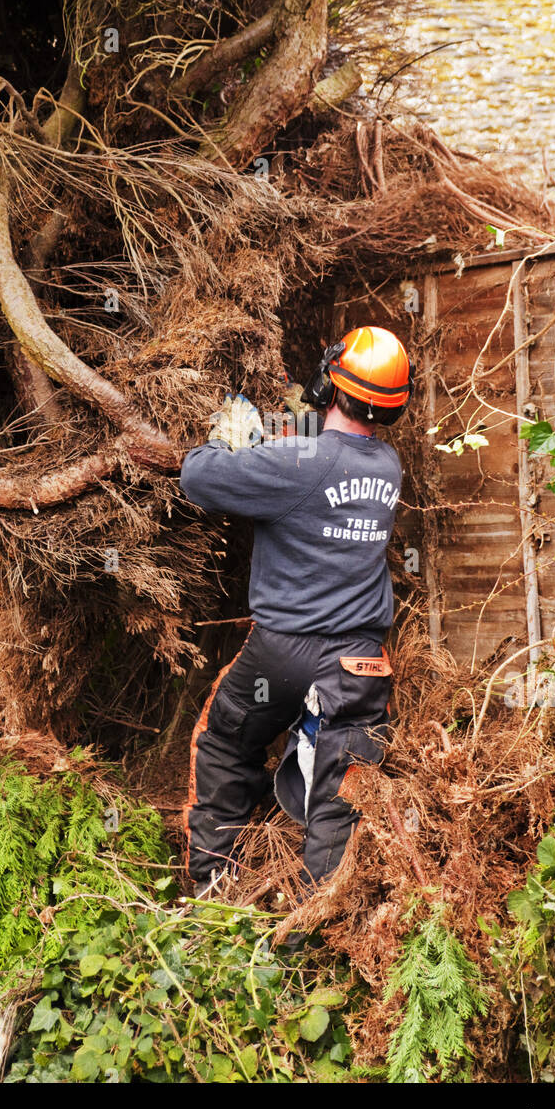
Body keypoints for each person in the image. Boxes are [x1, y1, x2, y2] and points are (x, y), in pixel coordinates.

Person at [179, 325, 413, 899]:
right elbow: (328, 458)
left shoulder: (295, 463)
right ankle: (319, 935)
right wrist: (289, 432)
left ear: (331, 383)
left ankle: (213, 889)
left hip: (283, 653)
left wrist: (226, 437)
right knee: (341, 800)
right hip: (359, 665)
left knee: (226, 745)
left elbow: (197, 477)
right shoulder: (387, 467)